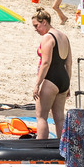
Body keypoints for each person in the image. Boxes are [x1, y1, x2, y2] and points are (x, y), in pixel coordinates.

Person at [31, 8, 71, 140]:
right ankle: (62, 149)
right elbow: (68, 64)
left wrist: (37, 84)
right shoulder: (64, 37)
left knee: (41, 116)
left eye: (36, 26)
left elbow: (46, 63)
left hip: (51, 79)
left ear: (44, 22)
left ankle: (40, 151)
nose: (36, 29)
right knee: (59, 118)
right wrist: (68, 84)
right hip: (63, 79)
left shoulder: (48, 37)